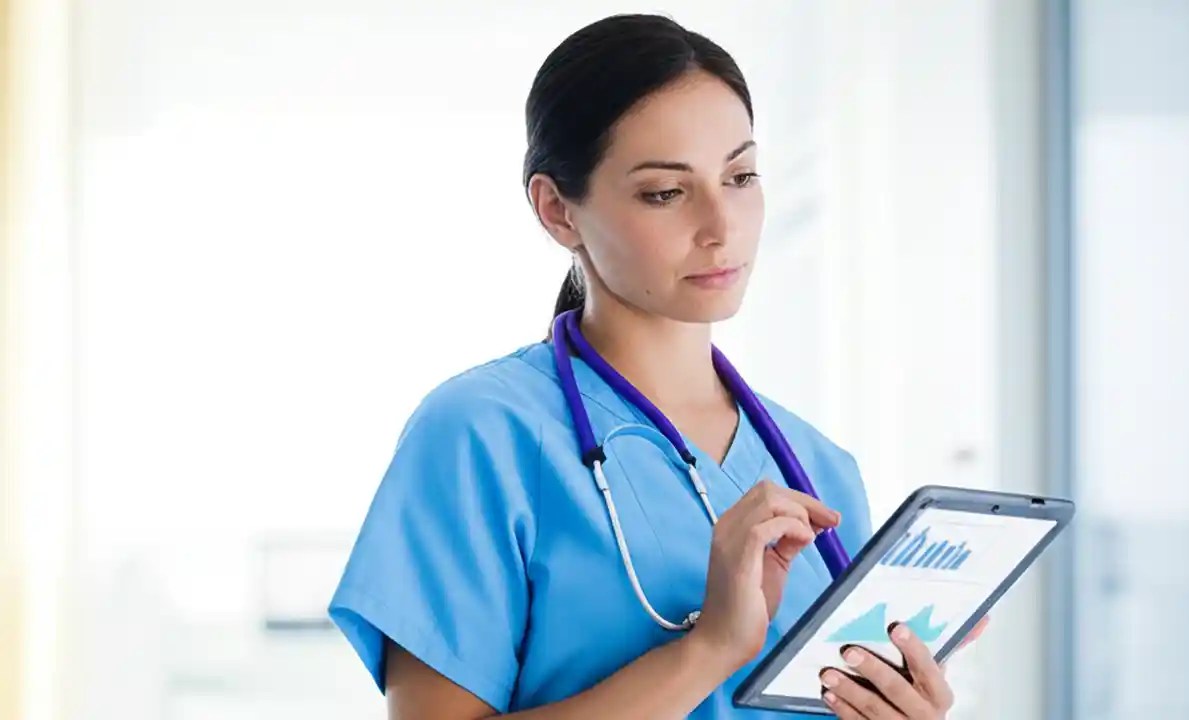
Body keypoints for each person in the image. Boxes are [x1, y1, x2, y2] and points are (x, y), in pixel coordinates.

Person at [329, 13, 983, 719]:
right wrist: (708, 651)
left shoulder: (818, 470)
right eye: (666, 192)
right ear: (558, 211)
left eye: (740, 176)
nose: (721, 226)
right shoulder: (481, 435)